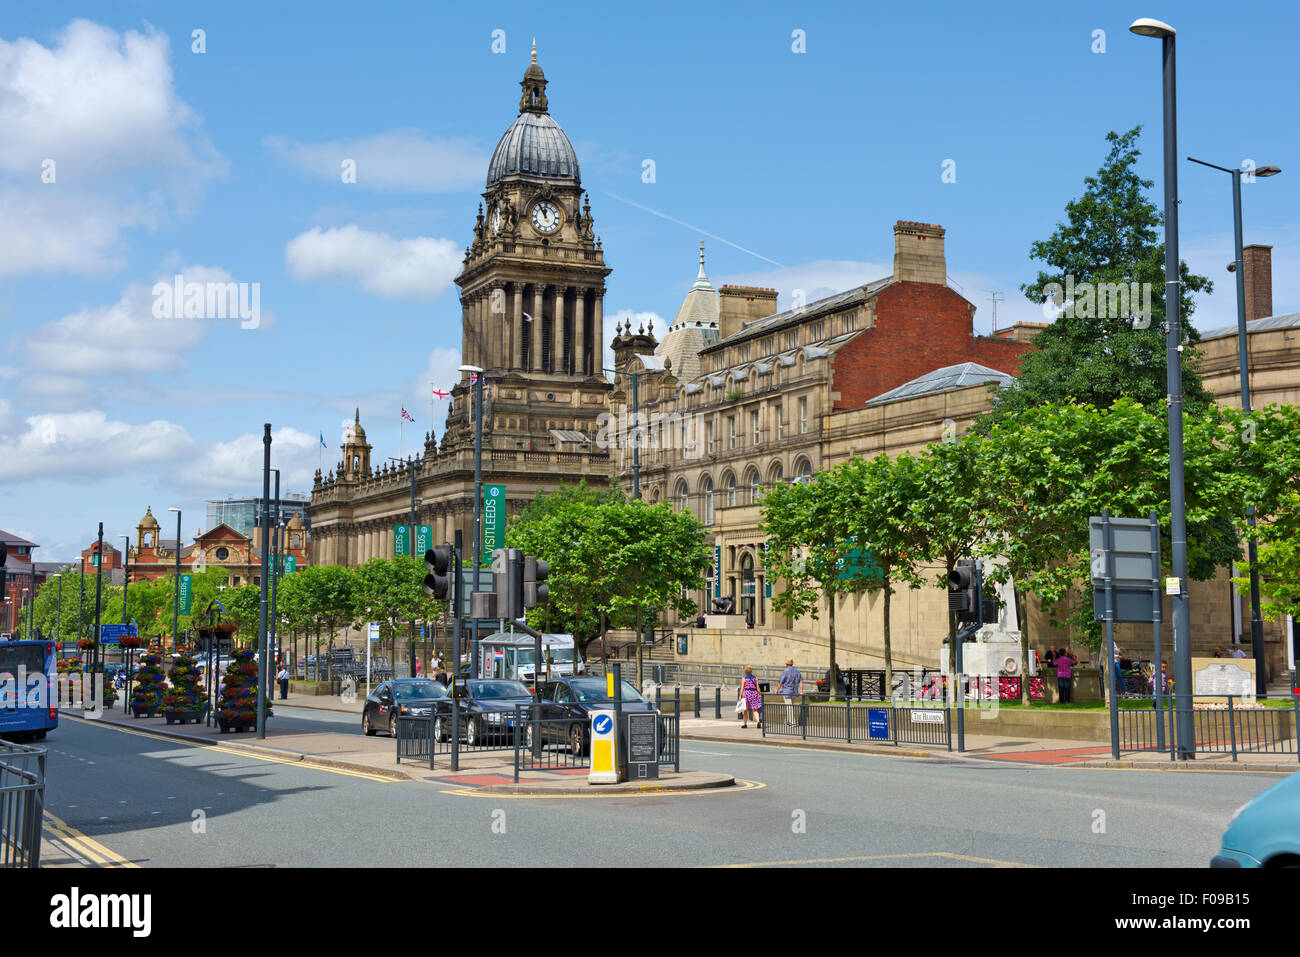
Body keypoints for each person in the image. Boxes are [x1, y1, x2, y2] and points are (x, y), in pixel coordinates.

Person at [777, 658, 802, 726]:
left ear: (787, 664)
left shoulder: (786, 671)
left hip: (787, 691)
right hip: (794, 691)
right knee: (790, 706)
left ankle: (792, 722)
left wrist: (777, 690)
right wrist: (801, 691)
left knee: (789, 707)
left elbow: (781, 682)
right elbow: (801, 681)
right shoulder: (797, 671)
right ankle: (786, 721)